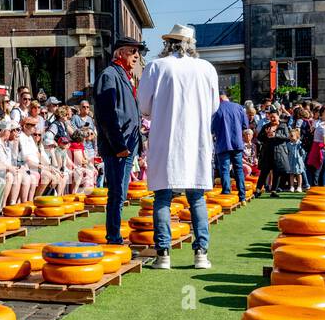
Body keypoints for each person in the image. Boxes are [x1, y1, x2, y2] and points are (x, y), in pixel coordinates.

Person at [137, 24, 218, 270]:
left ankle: (163, 255)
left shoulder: (156, 66)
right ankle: (201, 254)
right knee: (197, 198)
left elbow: (144, 107)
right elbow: (213, 106)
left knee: (162, 197)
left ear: (168, 44)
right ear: (191, 45)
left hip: (166, 139)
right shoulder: (206, 68)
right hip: (196, 140)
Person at [95, 38, 145, 246]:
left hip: (127, 143)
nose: (137, 55)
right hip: (118, 146)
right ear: (119, 53)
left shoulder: (124, 75)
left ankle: (115, 235)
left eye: (138, 52)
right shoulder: (109, 75)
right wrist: (119, 146)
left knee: (120, 193)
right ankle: (113, 237)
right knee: (116, 193)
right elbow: (106, 114)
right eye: (133, 51)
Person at [211, 90, 247, 201]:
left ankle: (227, 193)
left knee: (224, 170)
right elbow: (245, 125)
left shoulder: (216, 110)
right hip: (237, 143)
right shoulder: (239, 107)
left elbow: (212, 129)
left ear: (219, 98)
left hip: (223, 144)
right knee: (239, 169)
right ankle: (242, 195)